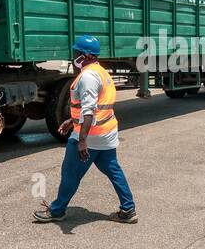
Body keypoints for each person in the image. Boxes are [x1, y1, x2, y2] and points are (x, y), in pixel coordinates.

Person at [34, 35, 136, 224]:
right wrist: (72, 121)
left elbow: (89, 111)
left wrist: (82, 141)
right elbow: (95, 107)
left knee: (70, 173)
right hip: (107, 133)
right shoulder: (102, 72)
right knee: (113, 170)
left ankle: (57, 211)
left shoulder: (87, 77)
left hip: (91, 137)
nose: (75, 57)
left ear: (86, 56)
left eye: (77, 53)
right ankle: (128, 209)